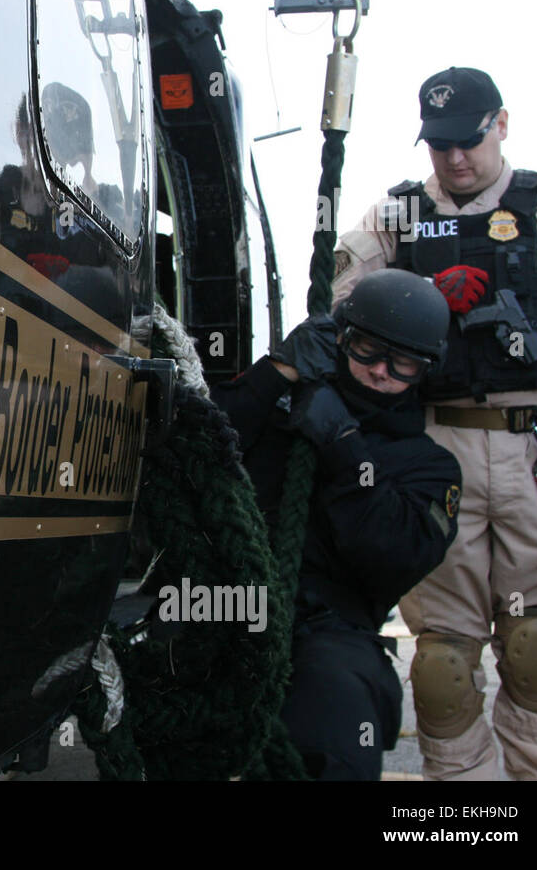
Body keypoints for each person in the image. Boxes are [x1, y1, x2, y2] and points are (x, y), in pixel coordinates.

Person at [332, 67, 537, 780]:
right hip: (434, 447)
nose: (455, 159)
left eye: (468, 140)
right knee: (441, 662)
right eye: (439, 146)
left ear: (501, 123)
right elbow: (340, 313)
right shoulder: (392, 219)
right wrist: (414, 297)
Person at [212, 269, 461, 779]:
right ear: (340, 339)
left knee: (335, 718)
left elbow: (391, 557)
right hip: (222, 603)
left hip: (332, 629)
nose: (379, 371)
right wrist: (274, 373)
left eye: (403, 363)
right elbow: (195, 450)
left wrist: (343, 445)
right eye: (367, 349)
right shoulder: (279, 413)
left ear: (425, 371)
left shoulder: (428, 466)